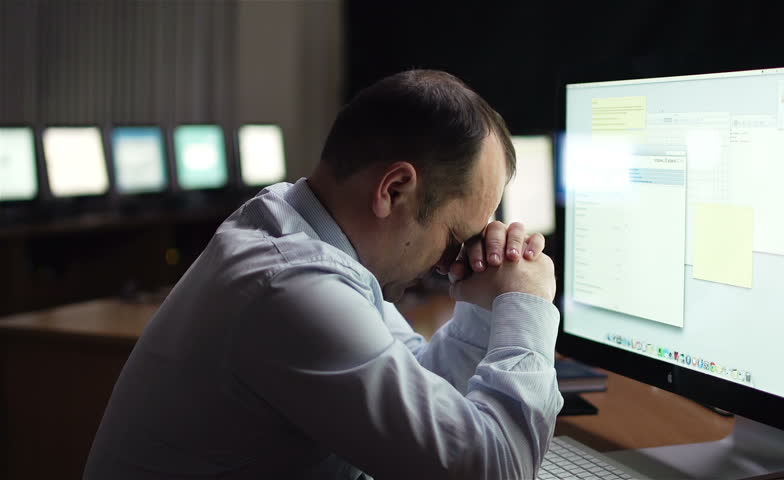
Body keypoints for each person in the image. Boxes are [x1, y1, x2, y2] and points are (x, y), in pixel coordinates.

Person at [84, 70, 563, 479]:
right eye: (457, 238)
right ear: (394, 190)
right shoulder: (291, 287)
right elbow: (492, 470)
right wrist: (528, 304)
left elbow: (419, 387)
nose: (451, 262)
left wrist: (485, 302)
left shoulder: (296, 225)